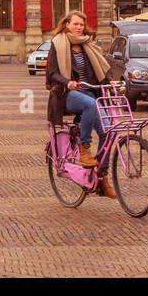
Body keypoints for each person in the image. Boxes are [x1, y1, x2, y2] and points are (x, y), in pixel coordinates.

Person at [45, 11, 116, 199]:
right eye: (75, 24)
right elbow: (52, 73)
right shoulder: (57, 44)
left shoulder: (87, 46)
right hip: (67, 94)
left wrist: (112, 82)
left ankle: (102, 177)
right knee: (90, 104)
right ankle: (85, 148)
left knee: (108, 132)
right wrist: (67, 82)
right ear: (67, 24)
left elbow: (99, 71)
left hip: (89, 92)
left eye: (81, 25)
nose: (79, 27)